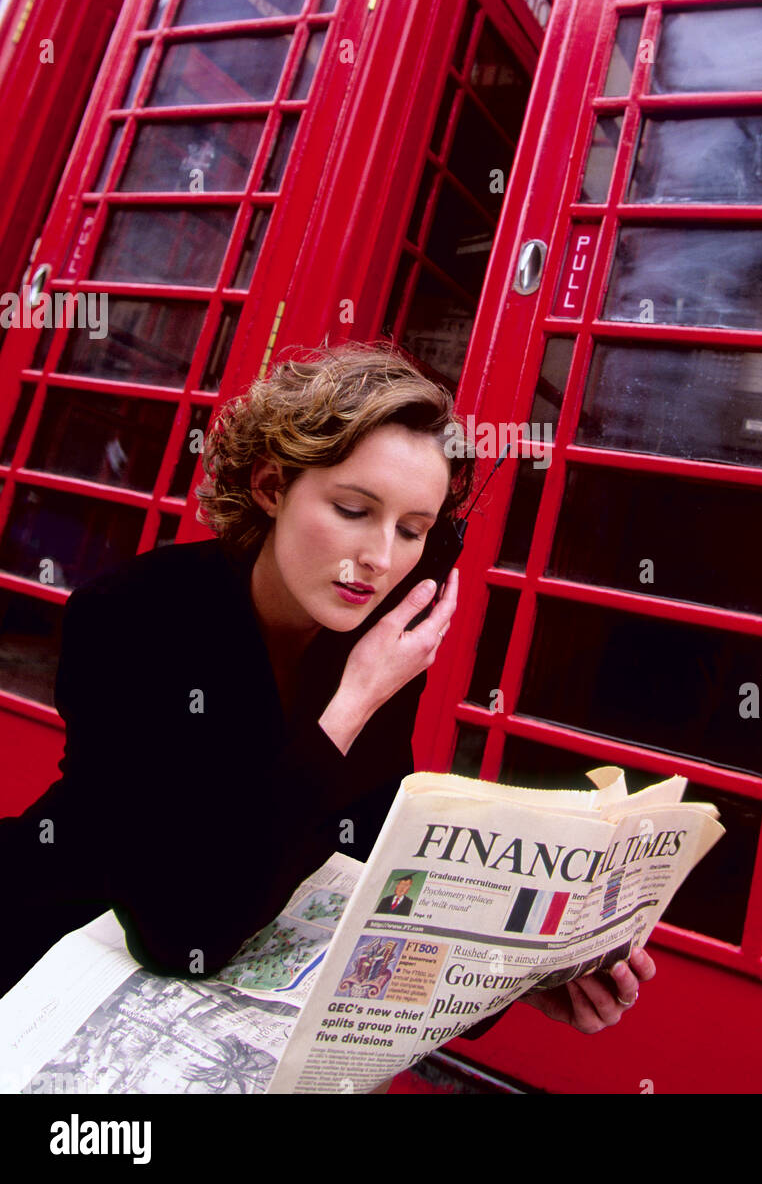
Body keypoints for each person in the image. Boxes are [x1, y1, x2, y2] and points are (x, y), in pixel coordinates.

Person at [0, 339, 653, 1044]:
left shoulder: (366, 644)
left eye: (412, 531)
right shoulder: (131, 616)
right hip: (43, 953)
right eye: (351, 510)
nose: (379, 558)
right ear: (272, 487)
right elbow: (177, 929)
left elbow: (370, 849)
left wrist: (515, 978)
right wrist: (351, 705)